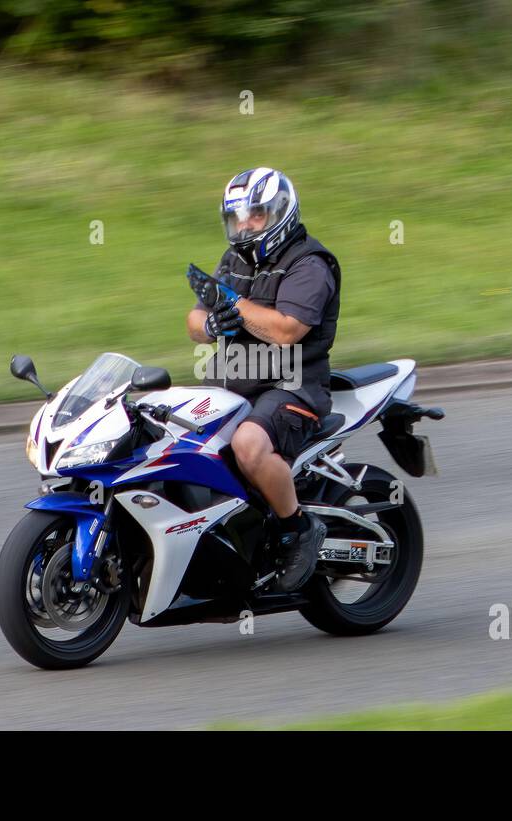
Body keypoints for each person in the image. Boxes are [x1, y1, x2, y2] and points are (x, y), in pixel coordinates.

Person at [186, 167, 341, 592]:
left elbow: (287, 329)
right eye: (237, 217)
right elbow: (194, 319)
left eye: (254, 214)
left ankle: (297, 530)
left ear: (279, 213)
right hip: (234, 382)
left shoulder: (309, 264)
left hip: (292, 387)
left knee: (248, 445)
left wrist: (232, 306)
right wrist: (211, 326)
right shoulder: (235, 259)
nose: (244, 225)